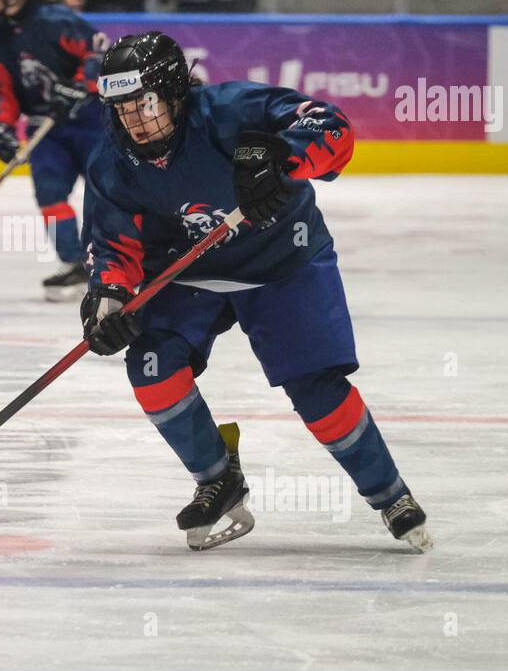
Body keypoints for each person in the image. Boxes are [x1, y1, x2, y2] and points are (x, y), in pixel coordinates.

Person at [80, 31, 432, 553]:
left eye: (145, 104)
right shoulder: (112, 161)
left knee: (316, 388)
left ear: (176, 93)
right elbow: (114, 246)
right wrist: (107, 301)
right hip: (190, 274)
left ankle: (389, 493)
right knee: (151, 366)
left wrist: (284, 158)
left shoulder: (232, 110)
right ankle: (217, 477)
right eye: (122, 109)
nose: (134, 120)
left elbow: (332, 128)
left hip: (282, 262)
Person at [0, 0, 106, 300]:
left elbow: (98, 52)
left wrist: (82, 87)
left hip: (92, 121)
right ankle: (74, 263)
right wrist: (1, 128)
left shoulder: (55, 19)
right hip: (47, 129)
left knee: (104, 195)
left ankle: (110, 264)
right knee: (50, 194)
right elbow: (2, 91)